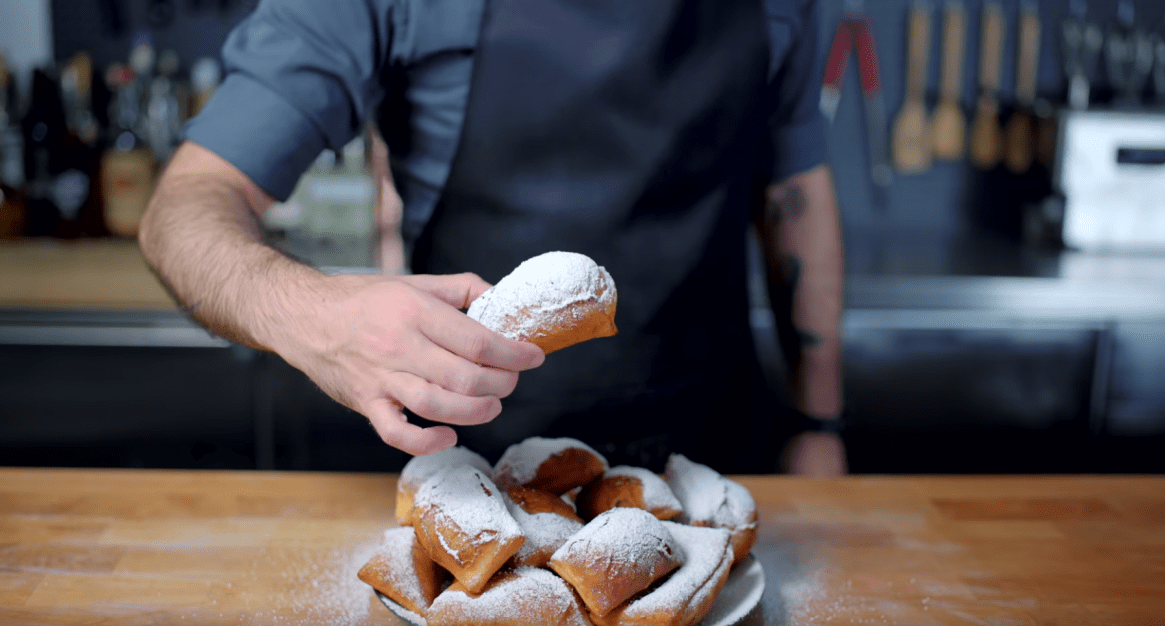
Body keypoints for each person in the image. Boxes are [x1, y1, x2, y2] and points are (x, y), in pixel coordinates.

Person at [139, 0, 848, 476]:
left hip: (716, 457)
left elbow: (794, 191)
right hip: (477, 470)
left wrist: (820, 424)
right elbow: (184, 209)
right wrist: (315, 315)